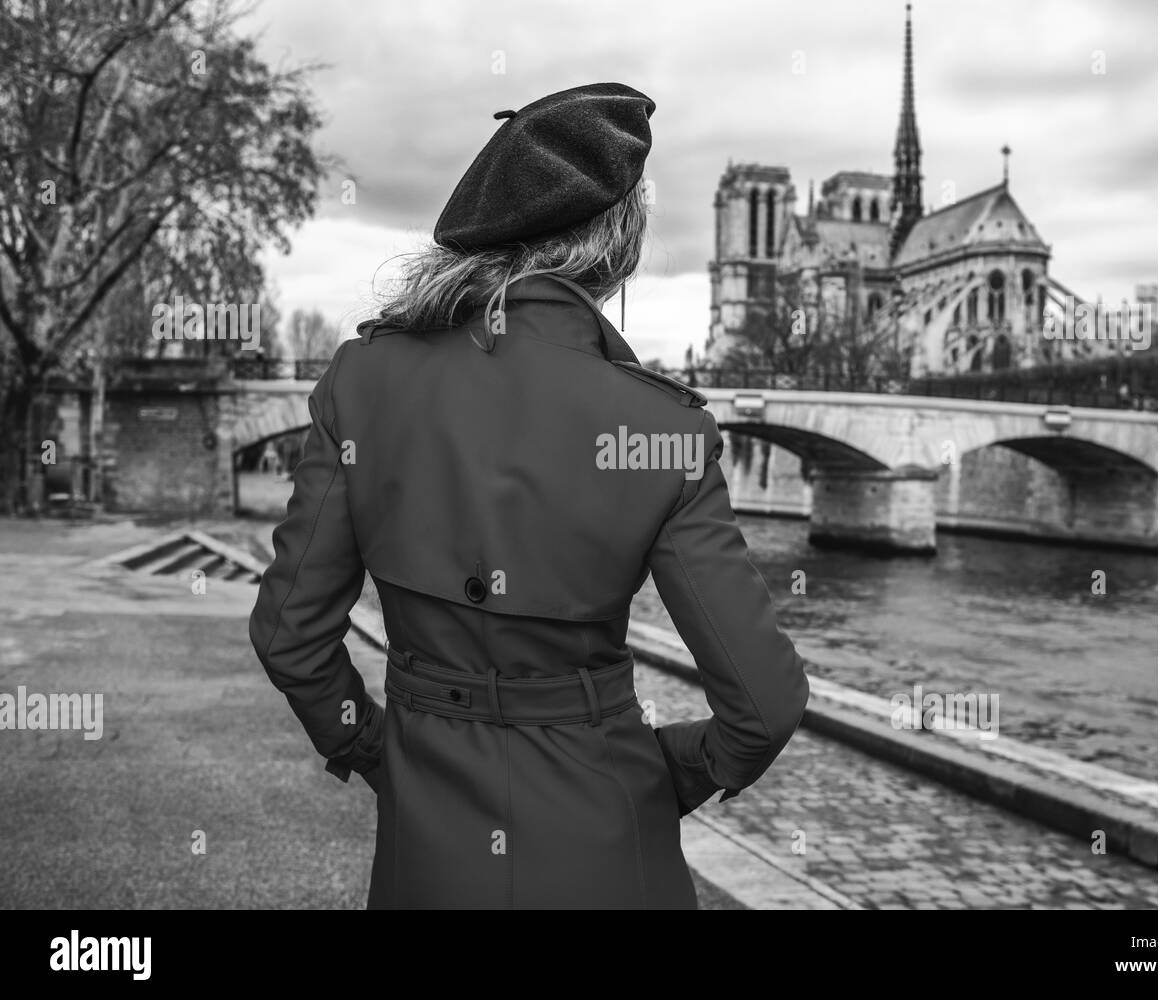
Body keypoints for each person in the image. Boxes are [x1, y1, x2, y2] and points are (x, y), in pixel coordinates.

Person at [249, 82, 809, 909]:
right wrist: (669, 773)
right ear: (617, 247)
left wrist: (371, 745)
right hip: (609, 836)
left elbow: (288, 633)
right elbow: (763, 706)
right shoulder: (663, 429)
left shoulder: (363, 382)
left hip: (426, 848)